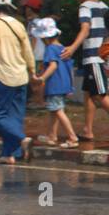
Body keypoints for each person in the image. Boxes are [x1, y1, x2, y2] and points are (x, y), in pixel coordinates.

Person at [59, 0, 109, 143]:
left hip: (94, 56)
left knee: (99, 94)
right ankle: (88, 130)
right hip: (104, 55)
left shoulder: (85, 6)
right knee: (89, 93)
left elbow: (85, 28)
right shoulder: (104, 6)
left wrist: (73, 47)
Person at [0, 0, 36, 164]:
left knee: (0, 116)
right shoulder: (18, 24)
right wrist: (32, 70)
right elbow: (27, 50)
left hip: (3, 76)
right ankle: (10, 154)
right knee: (15, 116)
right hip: (21, 75)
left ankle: (22, 139)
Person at [30, 19, 79, 147]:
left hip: (55, 85)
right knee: (54, 110)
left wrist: (41, 79)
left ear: (44, 38)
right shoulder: (63, 48)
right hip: (63, 85)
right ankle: (52, 135)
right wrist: (71, 86)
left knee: (57, 110)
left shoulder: (50, 49)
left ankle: (72, 137)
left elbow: (53, 66)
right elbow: (69, 68)